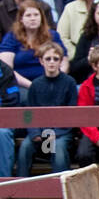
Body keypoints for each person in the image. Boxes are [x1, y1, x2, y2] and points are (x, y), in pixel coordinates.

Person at [15, 41, 77, 176]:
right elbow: (29, 114)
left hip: (62, 132)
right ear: (41, 61)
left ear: (61, 61)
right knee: (25, 148)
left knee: (59, 150)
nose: (52, 62)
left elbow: (72, 113)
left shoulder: (69, 83)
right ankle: (20, 190)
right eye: (48, 59)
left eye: (56, 59)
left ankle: (61, 190)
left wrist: (55, 133)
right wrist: (35, 133)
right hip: (39, 131)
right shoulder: (35, 85)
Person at [1, 0, 66, 101]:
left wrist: (55, 81)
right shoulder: (11, 37)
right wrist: (33, 85)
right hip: (22, 85)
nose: (33, 18)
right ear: (21, 19)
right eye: (28, 15)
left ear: (41, 18)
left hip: (52, 82)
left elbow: (64, 64)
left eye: (36, 15)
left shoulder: (53, 36)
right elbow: (7, 70)